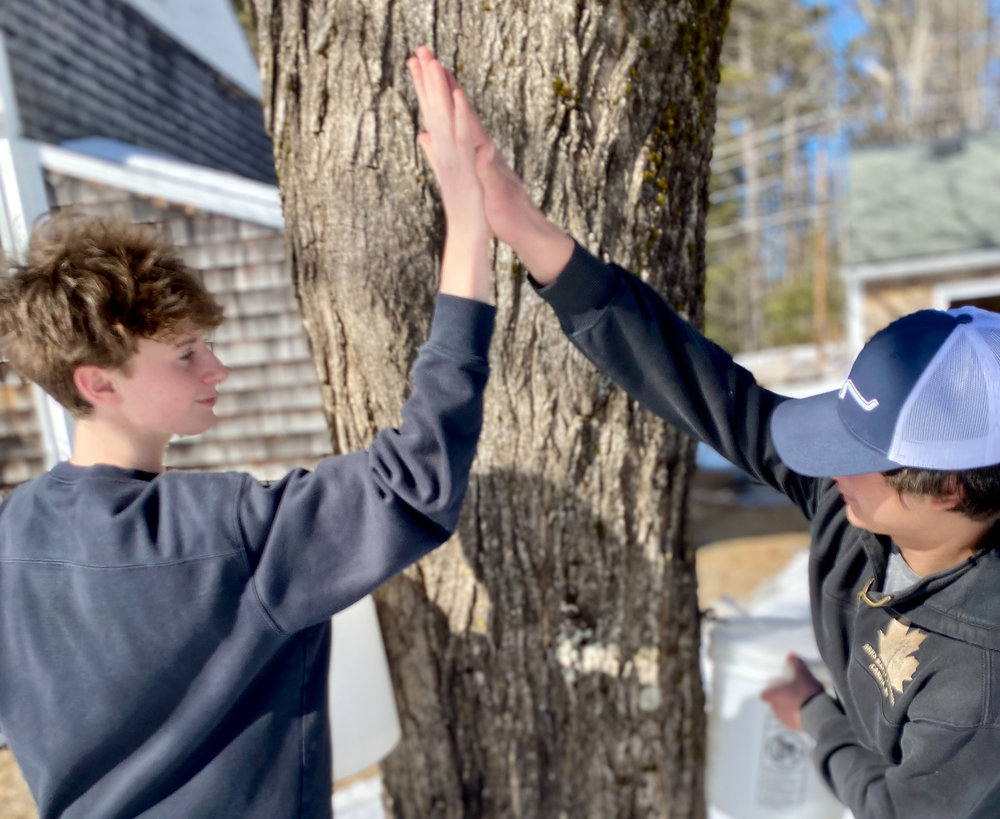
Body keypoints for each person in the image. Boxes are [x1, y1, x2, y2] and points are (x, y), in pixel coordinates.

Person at [460, 79, 1000, 818]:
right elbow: (714, 395)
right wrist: (539, 242)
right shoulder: (858, 508)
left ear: (948, 488)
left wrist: (814, 713)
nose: (823, 465)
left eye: (855, 450)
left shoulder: (980, 673)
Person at [0, 47, 493, 819]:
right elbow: (416, 480)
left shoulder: (11, 536)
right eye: (187, 353)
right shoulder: (226, 533)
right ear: (98, 383)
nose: (219, 368)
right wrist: (468, 222)